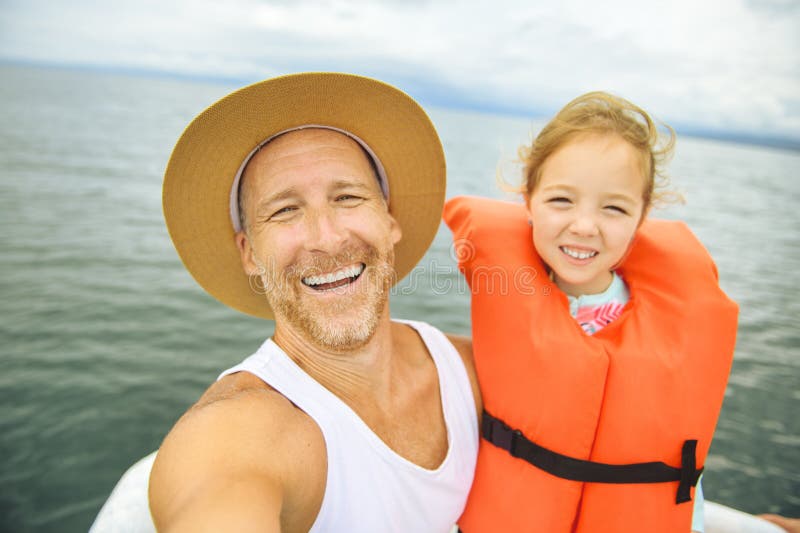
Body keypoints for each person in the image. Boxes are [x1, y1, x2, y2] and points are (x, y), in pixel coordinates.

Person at [148, 73, 481, 532]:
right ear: (249, 253)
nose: (326, 238)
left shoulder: (470, 372)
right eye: (285, 210)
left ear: (390, 221)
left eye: (347, 197)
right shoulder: (235, 434)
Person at [443, 92, 739, 532]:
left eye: (614, 208)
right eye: (561, 201)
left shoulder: (672, 326)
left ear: (642, 218)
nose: (584, 225)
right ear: (529, 199)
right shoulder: (503, 293)